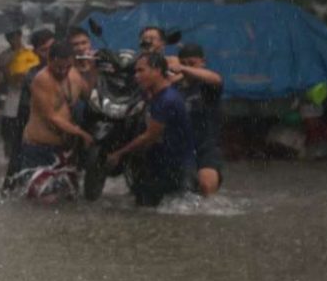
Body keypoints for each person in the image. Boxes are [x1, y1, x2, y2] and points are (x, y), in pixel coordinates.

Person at [107, 52, 197, 206]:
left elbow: (149, 136)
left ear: (156, 70)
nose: (136, 75)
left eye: (141, 70)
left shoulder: (167, 99)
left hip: (174, 168)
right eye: (135, 71)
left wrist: (119, 154)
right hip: (161, 163)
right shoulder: (154, 94)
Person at [19, 41, 94, 171]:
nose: (63, 71)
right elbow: (52, 116)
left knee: (68, 190)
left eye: (67, 67)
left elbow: (90, 95)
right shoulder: (43, 79)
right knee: (36, 191)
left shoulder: (74, 75)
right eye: (58, 67)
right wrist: (81, 133)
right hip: (38, 149)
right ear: (49, 60)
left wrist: (92, 68)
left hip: (64, 150)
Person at [169, 43, 224, 196]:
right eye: (184, 63)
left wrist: (183, 69)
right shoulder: (174, 87)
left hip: (205, 146)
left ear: (203, 62)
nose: (188, 67)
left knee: (206, 185)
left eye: (192, 63)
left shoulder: (206, 85)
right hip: (179, 146)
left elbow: (216, 79)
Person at [4, 28, 52, 179]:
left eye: (52, 48)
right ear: (36, 52)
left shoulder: (65, 70)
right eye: (44, 50)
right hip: (31, 129)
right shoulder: (33, 75)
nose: (50, 54)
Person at [0, 30, 37, 159]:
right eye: (10, 38)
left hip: (30, 99)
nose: (13, 40)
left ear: (20, 36)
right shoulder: (5, 56)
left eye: (15, 37)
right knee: (10, 135)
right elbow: (8, 78)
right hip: (12, 100)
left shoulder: (31, 51)